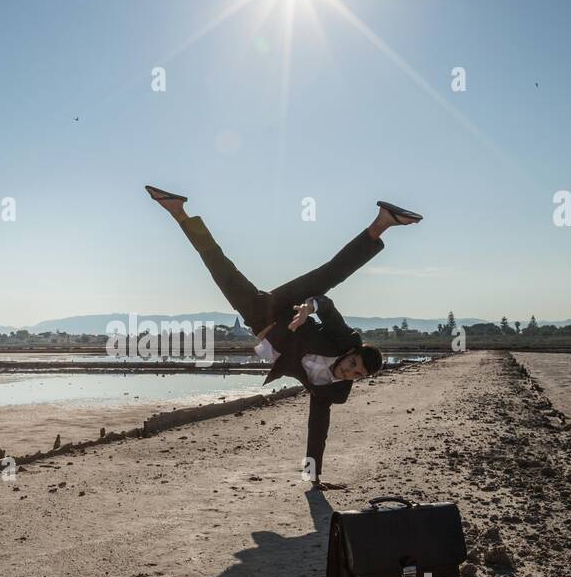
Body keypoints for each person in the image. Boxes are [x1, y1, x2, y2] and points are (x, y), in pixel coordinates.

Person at [146, 186, 422, 489]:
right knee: (328, 275)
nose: (350, 372)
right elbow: (328, 310)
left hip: (259, 316)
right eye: (354, 363)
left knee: (218, 265)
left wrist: (313, 477)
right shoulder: (345, 340)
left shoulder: (335, 390)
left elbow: (318, 427)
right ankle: (382, 222)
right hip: (289, 306)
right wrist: (309, 307)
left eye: (357, 374)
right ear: (352, 352)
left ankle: (178, 211)